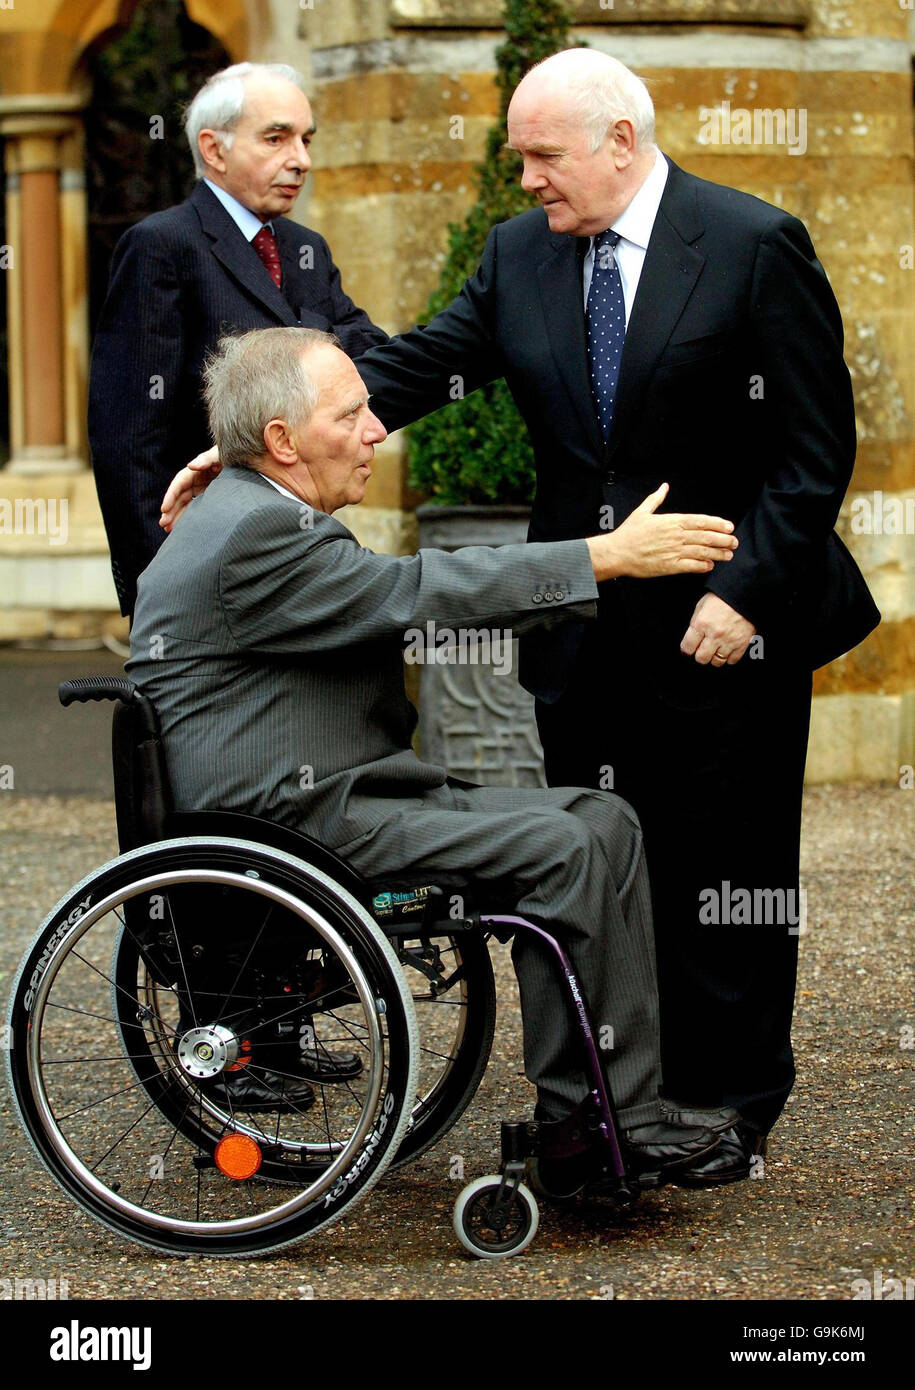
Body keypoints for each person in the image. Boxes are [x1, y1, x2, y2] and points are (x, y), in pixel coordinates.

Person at [160, 50, 879, 1185]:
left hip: (722, 617)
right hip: (586, 632)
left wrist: (747, 596)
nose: (529, 179)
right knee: (600, 851)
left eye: (544, 156)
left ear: (620, 142)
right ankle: (621, 1096)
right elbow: (424, 364)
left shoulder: (749, 244)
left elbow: (813, 449)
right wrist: (251, 448)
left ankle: (734, 1101)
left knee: (728, 868)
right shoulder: (518, 255)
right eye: (521, 157)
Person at [129, 325, 746, 1188]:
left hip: (325, 802)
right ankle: (594, 1129)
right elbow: (416, 594)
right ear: (282, 442)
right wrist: (601, 559)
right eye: (352, 414)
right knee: (565, 845)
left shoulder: (251, 510)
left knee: (602, 816)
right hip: (294, 827)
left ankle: (608, 1109)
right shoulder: (255, 531)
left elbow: (391, 596)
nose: (379, 429)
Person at [89, 61, 386, 618]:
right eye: (276, 138)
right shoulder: (161, 245)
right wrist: (158, 586)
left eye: (305, 139)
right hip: (201, 559)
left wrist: (300, 344)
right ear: (214, 149)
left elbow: (368, 345)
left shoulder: (305, 247)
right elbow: (126, 434)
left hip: (300, 548)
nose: (301, 159)